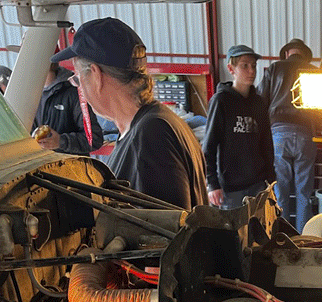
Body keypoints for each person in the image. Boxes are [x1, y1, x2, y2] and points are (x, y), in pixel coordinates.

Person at [53, 18, 207, 210]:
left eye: (77, 79)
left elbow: (167, 233)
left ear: (95, 75)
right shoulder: (150, 125)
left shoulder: (151, 135)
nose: (79, 87)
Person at [204, 45, 275, 209]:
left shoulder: (259, 102)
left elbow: (267, 143)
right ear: (231, 68)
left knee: (259, 231)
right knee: (233, 233)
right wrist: (212, 184)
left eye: (253, 66)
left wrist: (271, 181)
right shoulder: (221, 101)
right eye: (245, 65)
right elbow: (209, 146)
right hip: (230, 189)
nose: (251, 71)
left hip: (258, 184)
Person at [258, 38, 317, 230]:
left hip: (278, 134)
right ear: (304, 55)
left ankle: (281, 235)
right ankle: (303, 237)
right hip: (305, 135)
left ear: (286, 53)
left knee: (280, 190)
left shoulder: (275, 68)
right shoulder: (314, 72)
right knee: (304, 193)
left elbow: (260, 101)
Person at [32, 63, 103, 155]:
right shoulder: (30, 95)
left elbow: (94, 139)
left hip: (73, 167)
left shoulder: (74, 92)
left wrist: (61, 141)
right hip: (43, 167)